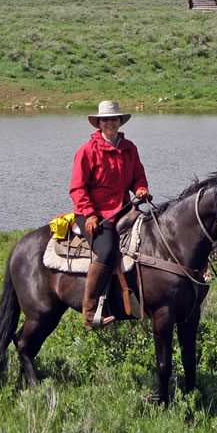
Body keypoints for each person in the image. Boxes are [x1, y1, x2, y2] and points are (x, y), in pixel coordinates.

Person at [70, 100, 150, 329]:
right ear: (99, 123)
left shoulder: (129, 148)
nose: (110, 123)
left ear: (119, 121)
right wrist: (90, 214)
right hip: (93, 212)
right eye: (105, 120)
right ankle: (89, 313)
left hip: (122, 208)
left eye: (113, 119)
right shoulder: (87, 150)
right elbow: (77, 188)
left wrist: (141, 189)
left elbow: (138, 176)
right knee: (106, 251)